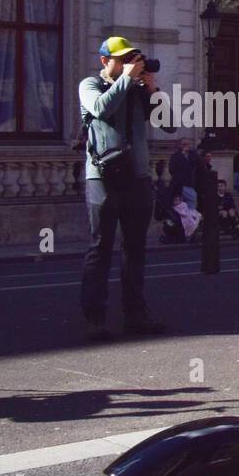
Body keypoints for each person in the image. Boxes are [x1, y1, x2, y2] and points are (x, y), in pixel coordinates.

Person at [78, 36, 173, 340]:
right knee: (100, 248)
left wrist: (153, 89)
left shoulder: (136, 90)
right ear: (105, 61)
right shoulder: (90, 85)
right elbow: (102, 109)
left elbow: (170, 124)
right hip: (103, 179)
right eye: (124, 59)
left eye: (134, 59)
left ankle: (136, 315)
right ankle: (95, 318)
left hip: (138, 178)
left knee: (135, 250)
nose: (131, 64)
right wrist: (127, 81)